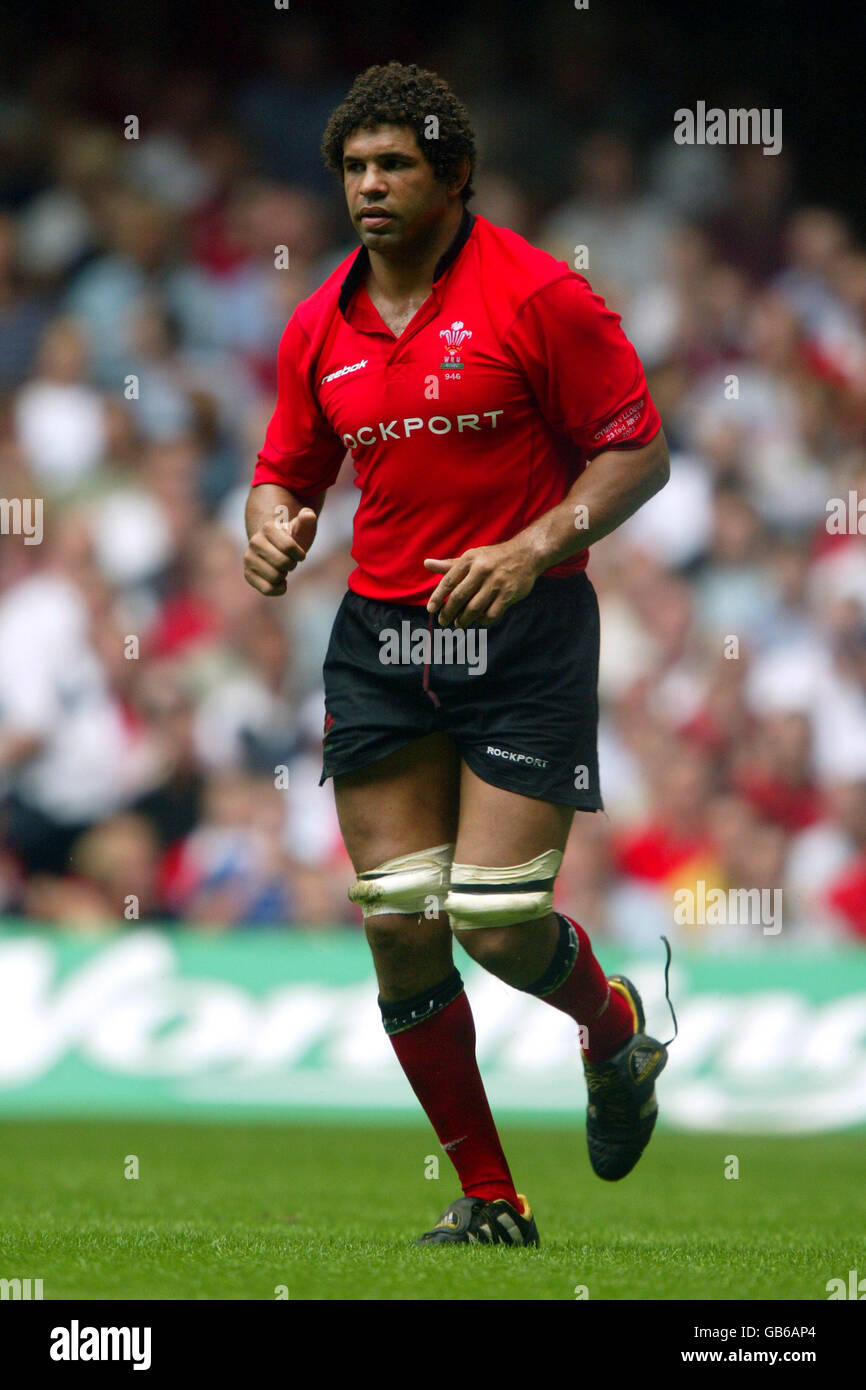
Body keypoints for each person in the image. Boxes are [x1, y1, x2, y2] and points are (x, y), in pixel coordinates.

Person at [243, 62, 672, 1246]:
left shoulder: (538, 298)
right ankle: (491, 1199)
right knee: (395, 918)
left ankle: (610, 1023)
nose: (370, 187)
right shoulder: (316, 321)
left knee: (491, 920)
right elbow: (286, 468)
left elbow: (636, 454)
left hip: (524, 632)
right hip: (382, 637)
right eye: (354, 168)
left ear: (454, 176)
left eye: (395, 166)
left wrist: (534, 546)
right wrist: (270, 524)